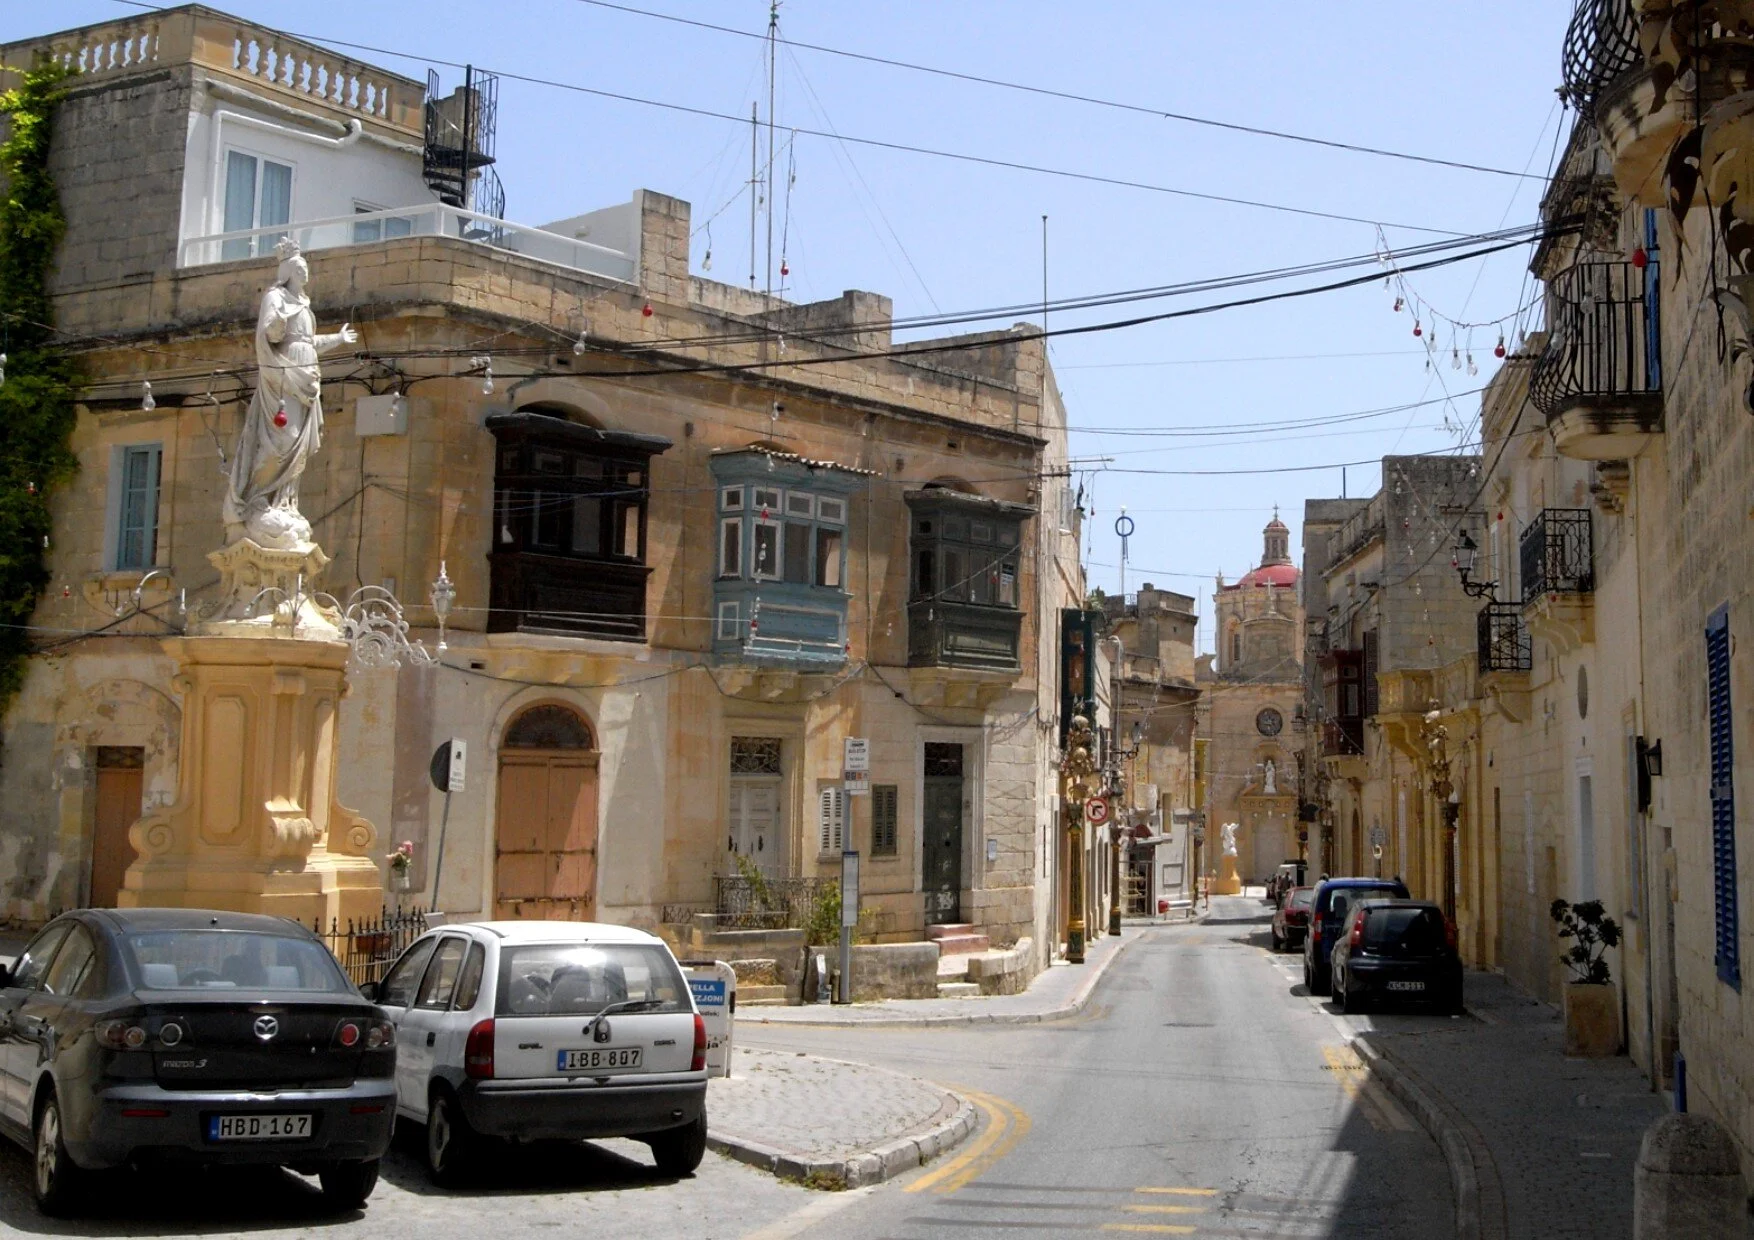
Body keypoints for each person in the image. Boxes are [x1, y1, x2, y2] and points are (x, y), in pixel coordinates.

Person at [223, 237, 357, 549]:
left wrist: (337, 339)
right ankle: (257, 498)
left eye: (307, 267)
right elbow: (270, 332)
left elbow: (309, 343)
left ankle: (284, 502)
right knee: (281, 442)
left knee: (299, 447)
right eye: (300, 267)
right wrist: (278, 323)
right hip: (283, 376)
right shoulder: (276, 295)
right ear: (288, 271)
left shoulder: (306, 306)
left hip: (307, 378)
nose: (306, 272)